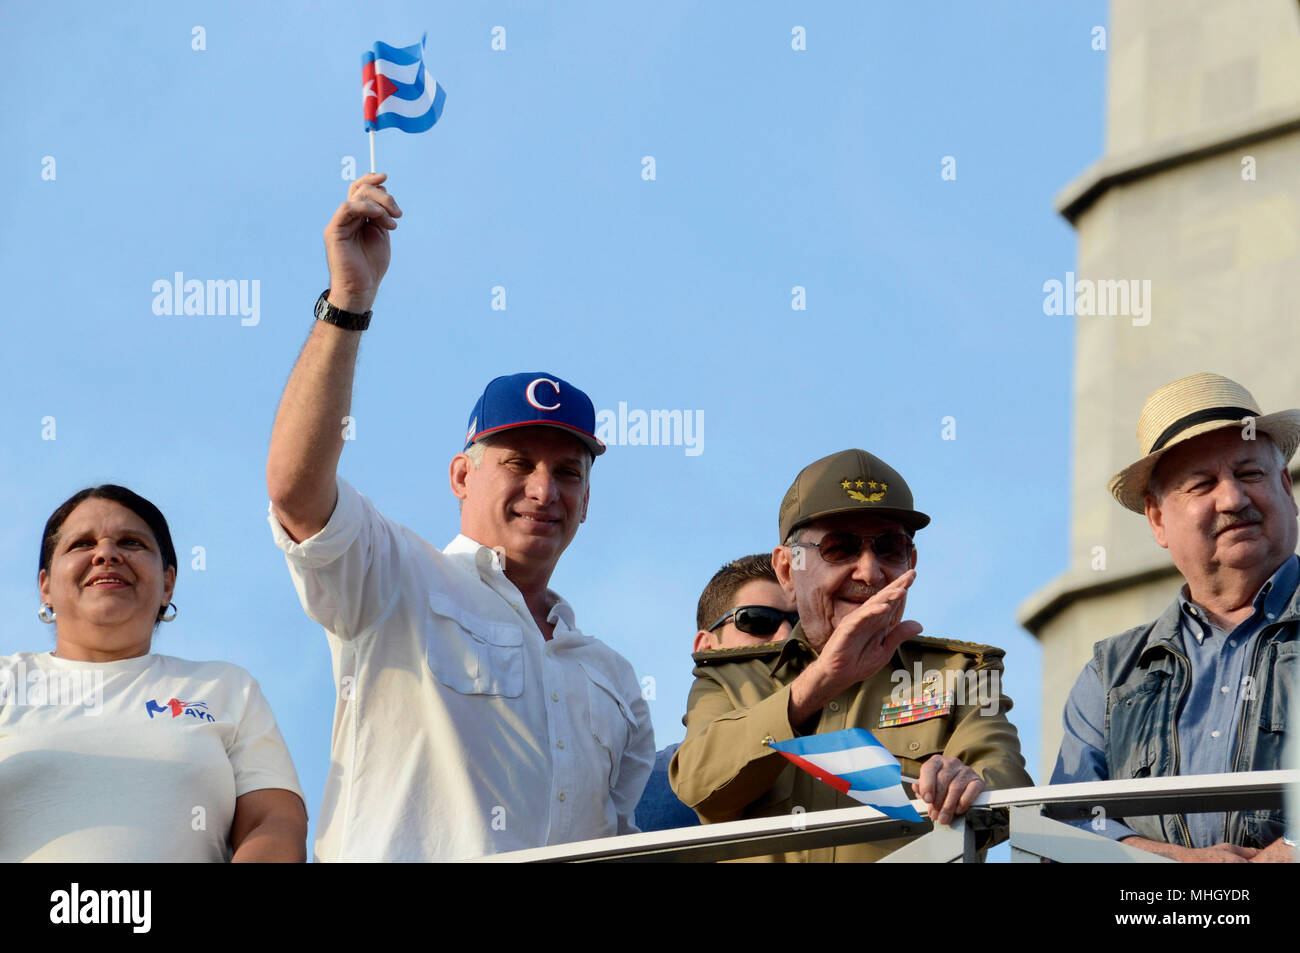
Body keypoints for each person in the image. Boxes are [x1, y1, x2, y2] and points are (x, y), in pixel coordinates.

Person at [266, 172, 654, 861]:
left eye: (568, 472)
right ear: (460, 474)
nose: (544, 489)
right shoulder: (398, 580)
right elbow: (296, 490)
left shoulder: (614, 680)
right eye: (518, 463)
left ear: (588, 501)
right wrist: (348, 303)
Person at [670, 448, 1033, 862]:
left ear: (910, 562)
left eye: (889, 548)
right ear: (788, 570)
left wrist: (970, 783)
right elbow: (699, 785)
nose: (869, 573)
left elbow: (1008, 788)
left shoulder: (963, 675)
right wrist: (822, 680)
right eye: (840, 548)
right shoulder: (731, 677)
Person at [1051, 372, 1300, 862]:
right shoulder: (1110, 675)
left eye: (1250, 474)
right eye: (1202, 484)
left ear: (1286, 488)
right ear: (1158, 519)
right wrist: (1178, 865)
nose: (1232, 499)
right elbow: (1069, 822)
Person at [0, 485, 306, 862]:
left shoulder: (226, 689)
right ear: (45, 586)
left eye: (131, 543)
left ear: (168, 583)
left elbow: (275, 822)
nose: (106, 554)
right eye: (82, 543)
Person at [636, 554, 797, 832]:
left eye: (800, 625)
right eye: (757, 620)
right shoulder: (644, 788)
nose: (786, 637)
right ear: (706, 648)